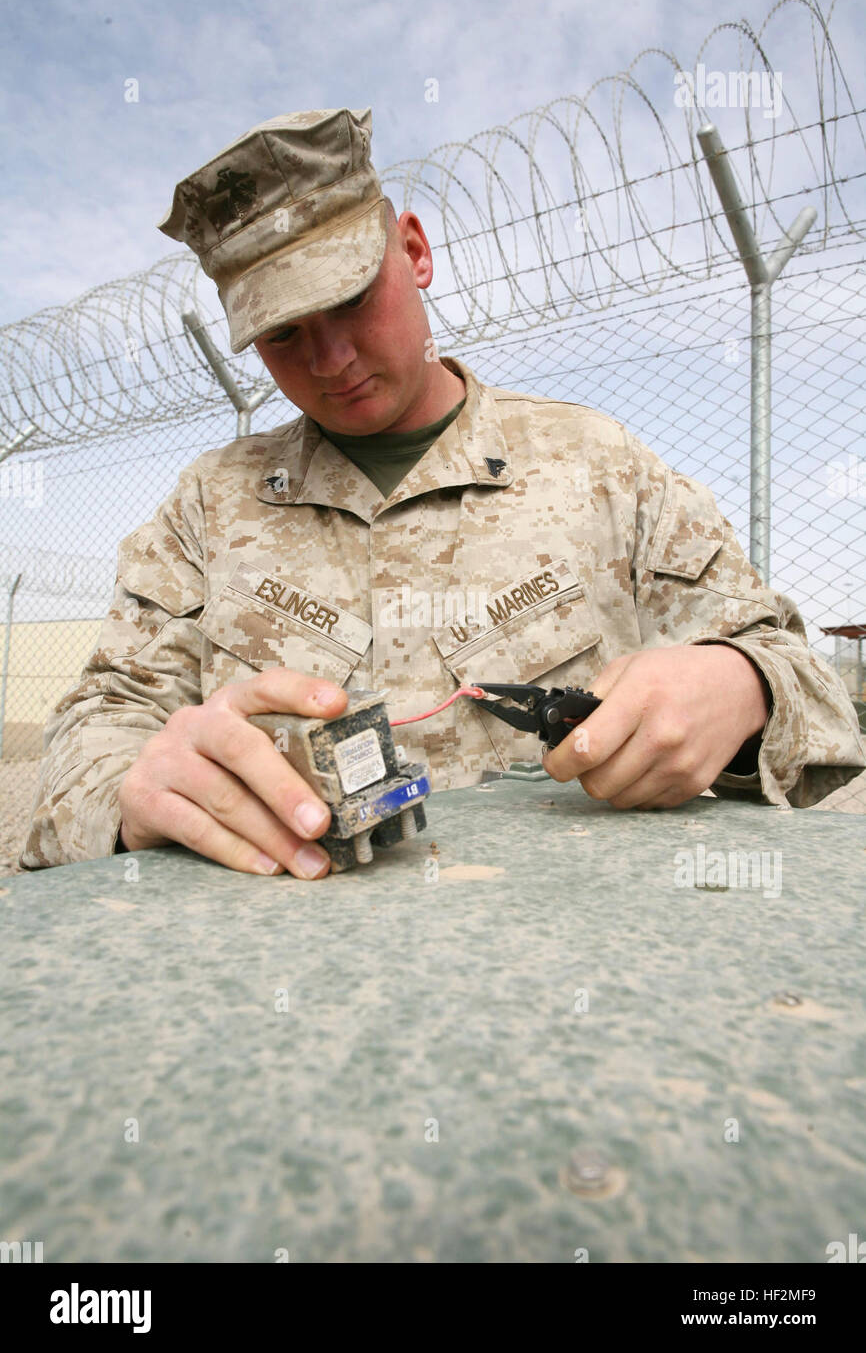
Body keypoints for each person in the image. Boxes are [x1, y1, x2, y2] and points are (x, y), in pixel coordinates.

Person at [21, 108, 866, 878]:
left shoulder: (596, 465)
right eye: (283, 334)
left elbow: (809, 689)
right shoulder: (211, 506)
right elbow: (99, 723)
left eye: (350, 300)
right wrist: (134, 788)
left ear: (416, 252)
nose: (330, 360)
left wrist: (740, 687)